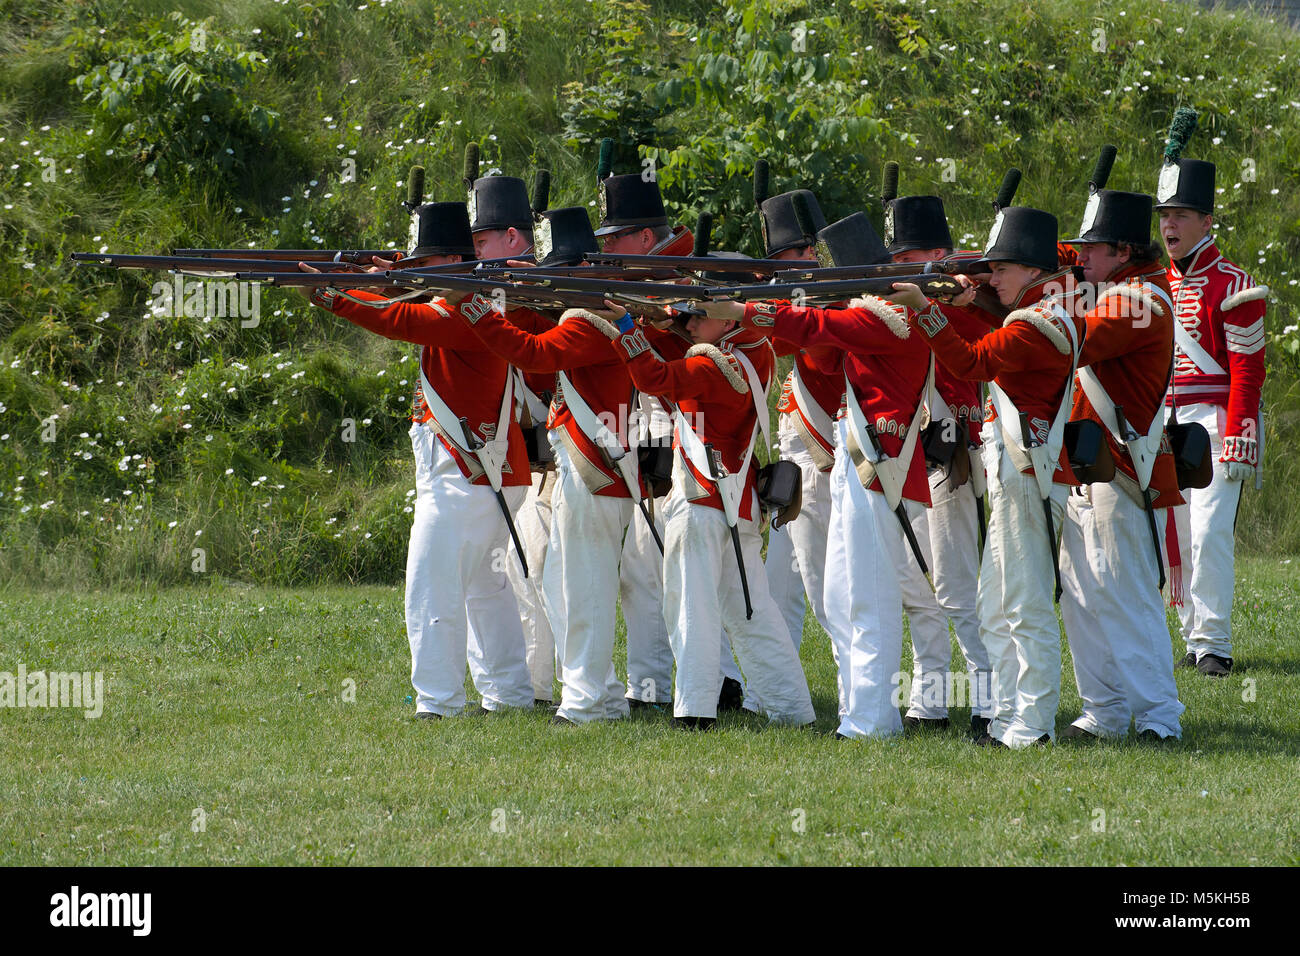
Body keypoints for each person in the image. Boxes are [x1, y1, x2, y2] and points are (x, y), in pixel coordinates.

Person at [303, 185, 541, 718]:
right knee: (486, 589)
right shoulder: (475, 302)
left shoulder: (466, 311)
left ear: (453, 263)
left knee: (431, 587)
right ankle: (508, 693)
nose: (418, 271)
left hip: (465, 474)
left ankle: (437, 702)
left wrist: (333, 294)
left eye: (426, 262)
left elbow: (399, 319)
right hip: (485, 472)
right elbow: (405, 303)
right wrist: (378, 279)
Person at [703, 245, 937, 741]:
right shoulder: (871, 317)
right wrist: (811, 302)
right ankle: (860, 711)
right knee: (840, 593)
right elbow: (824, 355)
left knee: (868, 598)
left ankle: (873, 721)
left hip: (879, 465)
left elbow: (817, 331)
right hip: (856, 460)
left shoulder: (891, 318)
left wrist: (745, 311)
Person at [903, 205, 1084, 748]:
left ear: (1032, 270)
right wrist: (959, 295)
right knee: (996, 603)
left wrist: (925, 309)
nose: (993, 279)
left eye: (1001, 269)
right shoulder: (1030, 312)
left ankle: (1033, 722)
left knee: (1025, 603)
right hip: (1012, 471)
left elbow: (970, 363)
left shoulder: (1039, 323)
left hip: (1028, 471)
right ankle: (1004, 715)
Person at [455, 206, 643, 725]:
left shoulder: (589, 325)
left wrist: (476, 312)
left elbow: (532, 353)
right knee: (569, 584)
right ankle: (600, 694)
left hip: (592, 472)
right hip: (591, 471)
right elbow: (532, 331)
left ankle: (585, 702)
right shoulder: (591, 319)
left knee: (583, 589)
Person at [596, 304, 816, 730]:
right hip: (738, 505)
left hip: (700, 501)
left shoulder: (715, 362)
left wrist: (626, 327)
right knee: (754, 613)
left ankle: (695, 711)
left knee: (689, 606)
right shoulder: (756, 351)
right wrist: (666, 322)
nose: (690, 325)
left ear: (728, 320)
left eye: (699, 316)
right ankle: (793, 710)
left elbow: (654, 379)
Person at [1058, 186, 1184, 740]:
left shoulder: (1140, 301)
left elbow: (1074, 341)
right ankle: (1104, 711)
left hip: (1121, 467)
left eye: (1095, 247)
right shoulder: (1116, 285)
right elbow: (1066, 259)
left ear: (1127, 250)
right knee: (1082, 593)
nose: (1082, 257)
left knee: (1124, 593)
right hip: (1084, 465)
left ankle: (1159, 716)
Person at [883, 193, 997, 736]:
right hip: (906, 455)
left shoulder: (969, 302)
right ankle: (929, 698)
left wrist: (953, 281)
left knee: (955, 584)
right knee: (914, 585)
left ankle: (988, 698)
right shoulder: (906, 301)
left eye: (908, 260)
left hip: (951, 453)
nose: (897, 273)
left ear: (937, 254)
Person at [1156, 142, 1267, 677]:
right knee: (1174, 530)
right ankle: (1190, 635)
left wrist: (1241, 430)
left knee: (1208, 530)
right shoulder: (1154, 286)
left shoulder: (1236, 284)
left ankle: (1214, 642)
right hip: (1167, 423)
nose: (1169, 226)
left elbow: (1249, 368)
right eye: (1164, 216)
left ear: (1206, 220)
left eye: (1180, 215)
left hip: (1216, 420)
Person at [753, 189, 843, 655]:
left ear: (811, 252)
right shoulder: (800, 294)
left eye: (785, 257)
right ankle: (776, 686)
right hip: (796, 450)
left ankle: (856, 690)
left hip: (822, 449)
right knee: (779, 583)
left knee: (823, 578)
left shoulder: (834, 302)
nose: (780, 269)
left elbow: (815, 354)